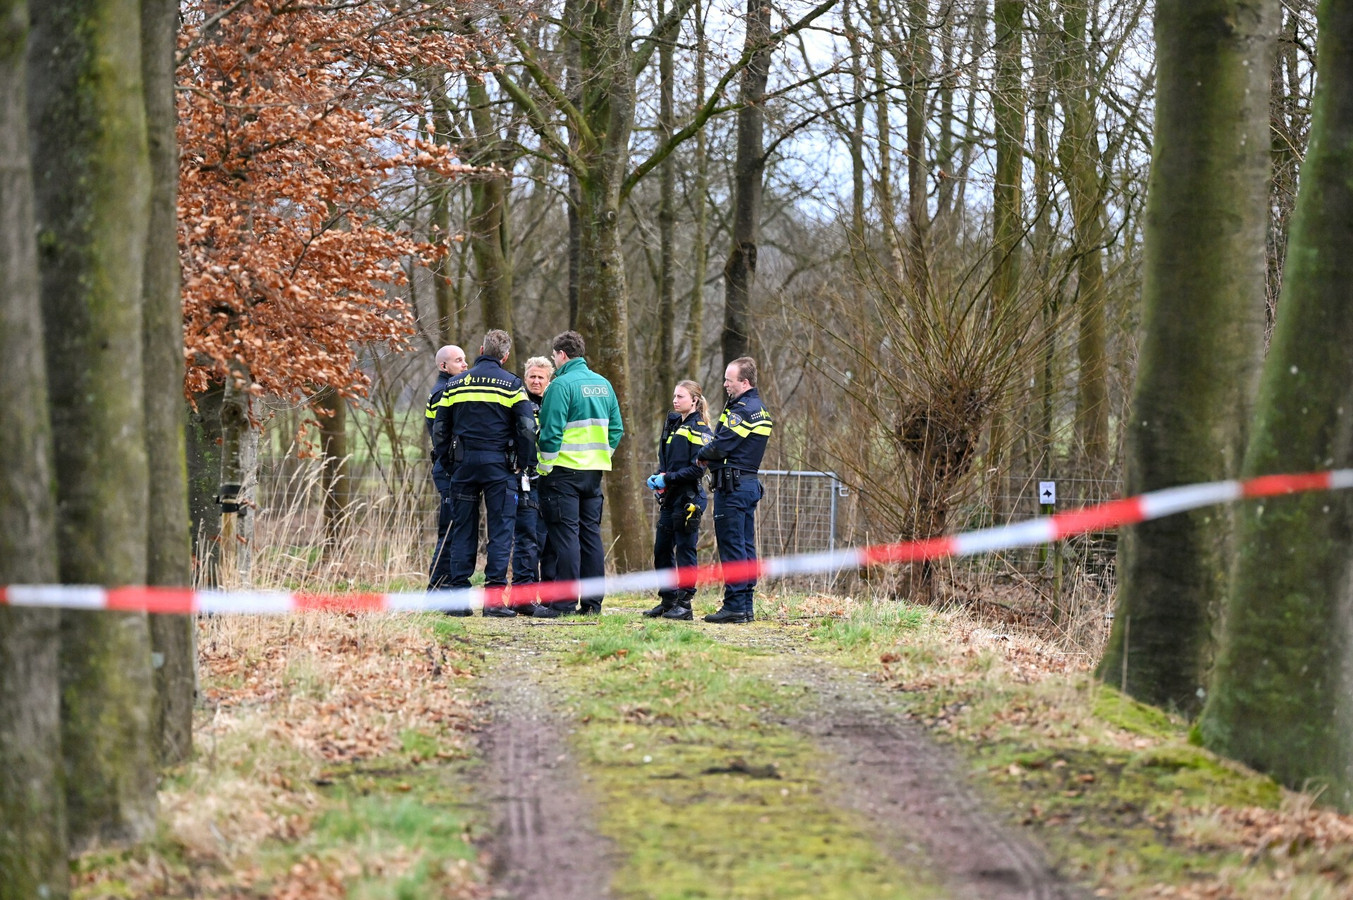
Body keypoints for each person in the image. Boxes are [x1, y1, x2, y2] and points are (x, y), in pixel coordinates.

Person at [431, 330, 536, 617]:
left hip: (463, 467)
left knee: (463, 530)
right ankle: (493, 602)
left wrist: (448, 462)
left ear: (480, 349)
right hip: (499, 468)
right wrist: (524, 463)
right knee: (500, 532)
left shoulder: (454, 383)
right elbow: (527, 428)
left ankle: (458, 602)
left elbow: (440, 429)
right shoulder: (512, 384)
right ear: (505, 356)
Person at [536, 331, 624, 615]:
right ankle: (592, 604)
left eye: (554, 357)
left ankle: (561, 605)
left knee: (566, 539)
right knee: (590, 538)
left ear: (561, 355)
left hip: (563, 472)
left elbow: (550, 433)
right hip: (593, 474)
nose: (554, 361)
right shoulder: (604, 384)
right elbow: (616, 429)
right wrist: (600, 455)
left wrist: (544, 467)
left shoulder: (561, 385)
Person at [697, 357, 773, 623]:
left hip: (733, 486)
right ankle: (746, 605)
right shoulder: (760, 409)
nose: (725, 384)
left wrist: (701, 454)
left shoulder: (742, 410)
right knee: (745, 545)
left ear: (745, 382)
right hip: (747, 483)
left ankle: (734, 605)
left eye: (729, 380)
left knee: (732, 547)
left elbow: (721, 446)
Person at [643, 380, 713, 620]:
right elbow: (668, 462)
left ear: (694, 400)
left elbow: (697, 470)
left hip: (688, 499)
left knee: (685, 551)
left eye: (680, 396)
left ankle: (685, 605)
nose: (675, 400)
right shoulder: (673, 425)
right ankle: (668, 600)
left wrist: (668, 478)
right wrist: (659, 477)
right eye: (674, 396)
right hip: (670, 498)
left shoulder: (700, 429)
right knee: (661, 549)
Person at [511, 355, 558, 618]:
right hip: (527, 481)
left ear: (549, 380)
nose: (536, 381)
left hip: (552, 481)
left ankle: (550, 597)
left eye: (541, 377)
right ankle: (524, 597)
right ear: (525, 378)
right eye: (532, 376)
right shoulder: (518, 402)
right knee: (528, 540)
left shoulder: (554, 403)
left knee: (551, 542)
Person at [426, 344, 467, 590]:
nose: (465, 365)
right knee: (450, 529)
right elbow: (443, 436)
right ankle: (438, 586)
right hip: (448, 469)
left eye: (465, 359)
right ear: (444, 366)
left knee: (453, 528)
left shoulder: (447, 389)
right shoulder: (444, 393)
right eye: (458, 360)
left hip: (448, 467)